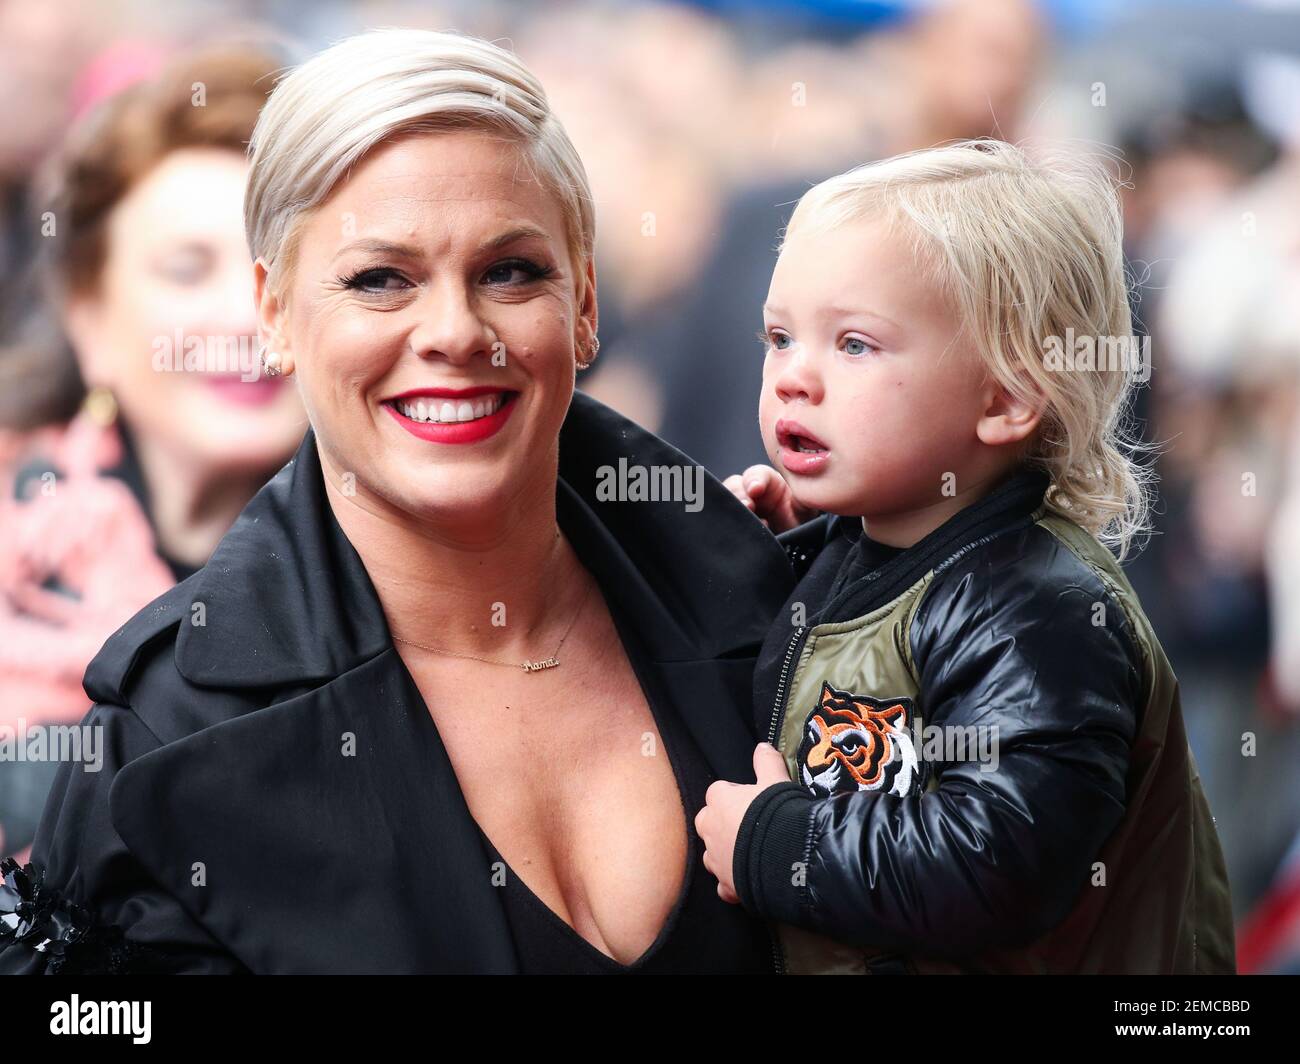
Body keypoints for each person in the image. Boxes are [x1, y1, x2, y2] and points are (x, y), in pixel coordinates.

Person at [0, 28, 794, 975]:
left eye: (510, 271)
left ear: (584, 300)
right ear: (276, 312)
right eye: (380, 280)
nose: (455, 331)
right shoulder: (162, 741)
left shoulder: (782, 604)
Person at [695, 140, 1237, 973]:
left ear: (1007, 397)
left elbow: (999, 863)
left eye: (854, 344)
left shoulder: (1033, 611)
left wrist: (780, 846)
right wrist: (779, 564)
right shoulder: (878, 546)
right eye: (780, 336)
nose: (794, 377)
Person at [0, 44, 304, 864]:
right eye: (186, 269)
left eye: (273, 270)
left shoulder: (405, 574)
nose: (244, 317)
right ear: (90, 319)